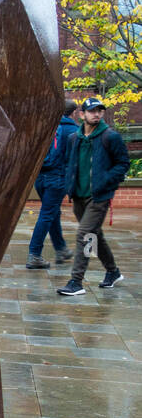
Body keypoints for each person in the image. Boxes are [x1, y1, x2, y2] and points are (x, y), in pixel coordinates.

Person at [58, 97, 130, 296]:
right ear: (82, 115)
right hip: (79, 196)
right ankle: (113, 272)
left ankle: (76, 281)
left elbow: (123, 164)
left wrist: (107, 180)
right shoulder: (74, 138)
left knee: (85, 234)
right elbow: (68, 163)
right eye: (92, 111)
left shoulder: (110, 137)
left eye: (100, 110)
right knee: (94, 235)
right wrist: (68, 184)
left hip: (99, 196)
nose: (96, 114)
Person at [26, 102, 77, 269]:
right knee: (48, 214)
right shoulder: (73, 131)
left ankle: (61, 248)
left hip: (40, 178)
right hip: (57, 178)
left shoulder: (45, 126)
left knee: (53, 211)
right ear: (73, 113)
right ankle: (34, 254)